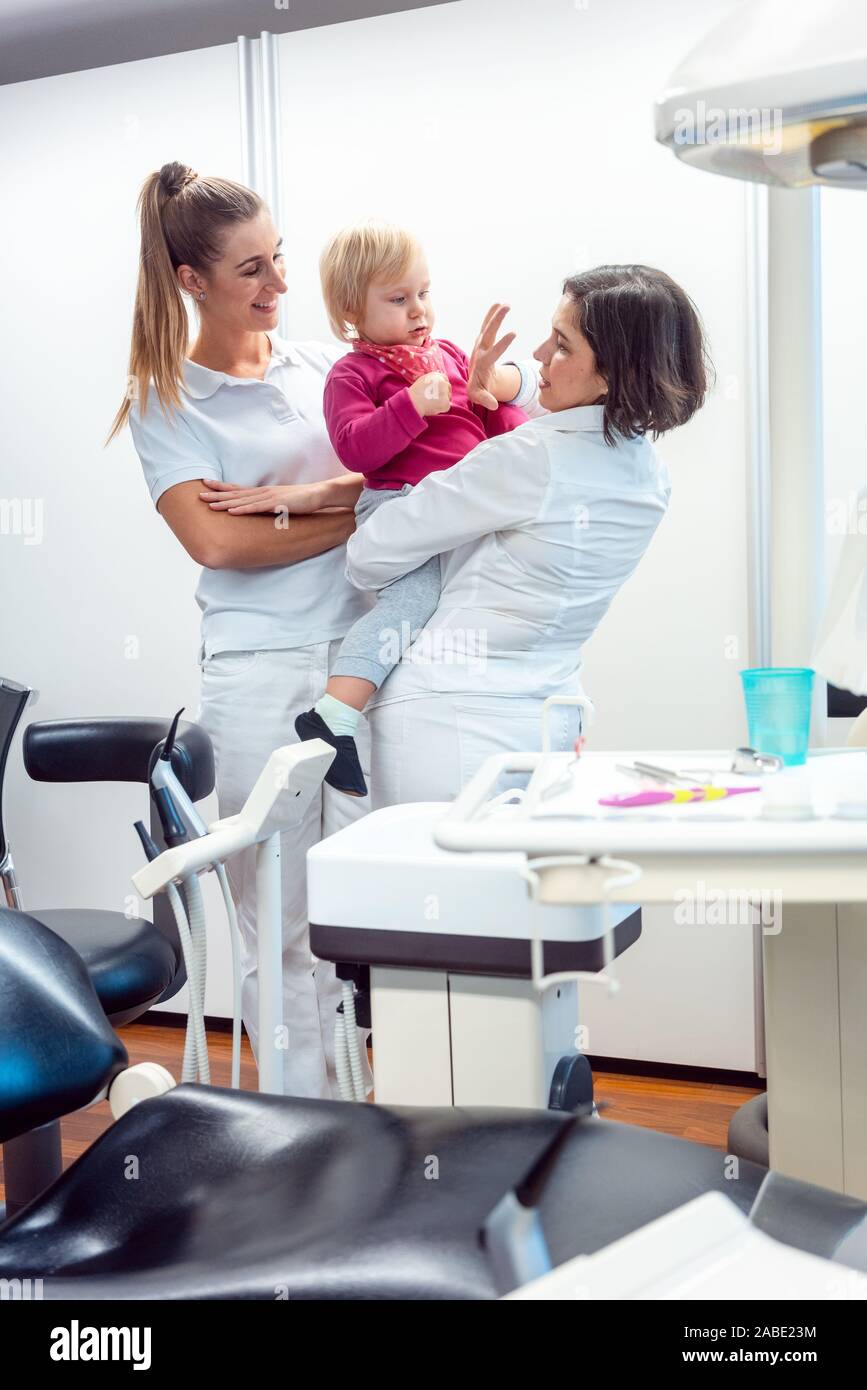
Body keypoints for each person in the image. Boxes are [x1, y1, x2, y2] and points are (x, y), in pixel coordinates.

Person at [343, 265, 711, 808]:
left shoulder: (527, 458)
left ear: (611, 372)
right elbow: (549, 401)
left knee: (432, 886)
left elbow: (369, 555)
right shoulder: (651, 477)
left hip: (448, 719)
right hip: (553, 723)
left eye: (561, 345)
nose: (539, 354)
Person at [293, 220, 531, 796]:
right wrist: (408, 406)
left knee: (467, 601)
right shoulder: (354, 373)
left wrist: (489, 400)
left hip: (461, 509)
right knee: (413, 598)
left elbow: (503, 436)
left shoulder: (449, 357)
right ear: (353, 311)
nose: (418, 309)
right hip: (399, 505)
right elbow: (354, 447)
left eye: (423, 293)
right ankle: (333, 715)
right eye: (398, 300)